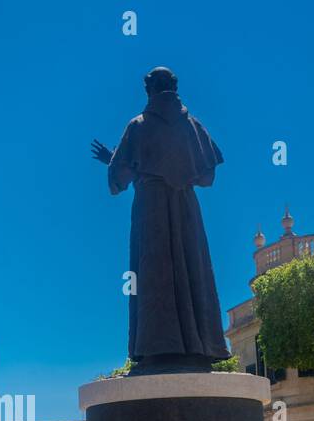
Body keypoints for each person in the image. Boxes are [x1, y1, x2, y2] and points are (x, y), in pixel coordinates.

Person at [91, 66, 230, 373]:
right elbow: (207, 175)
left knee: (153, 273)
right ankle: (198, 348)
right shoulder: (192, 125)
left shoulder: (138, 126)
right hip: (185, 206)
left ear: (149, 90)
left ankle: (155, 350)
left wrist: (113, 159)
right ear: (174, 88)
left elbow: (120, 178)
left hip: (150, 206)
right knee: (192, 267)